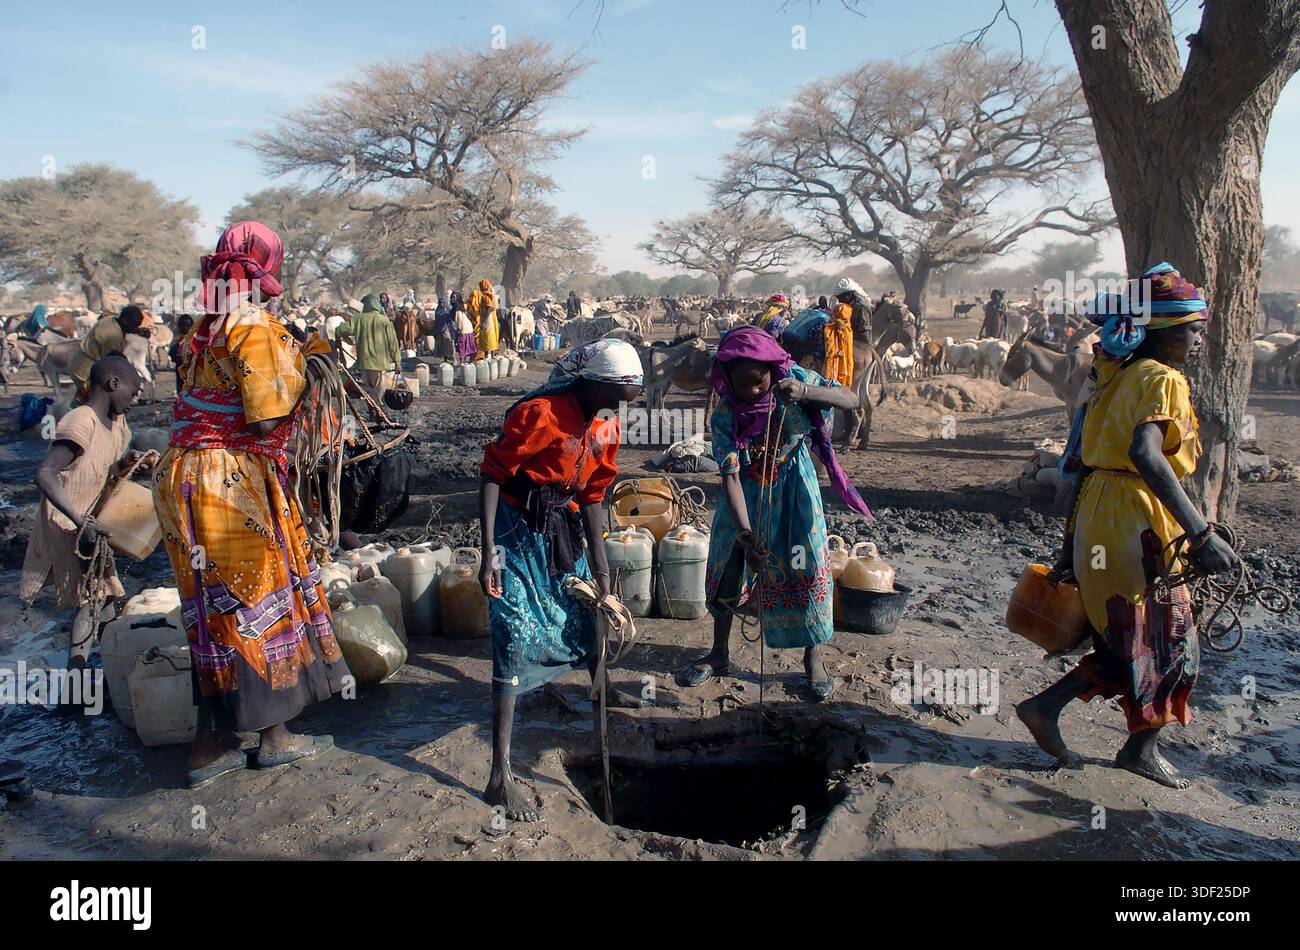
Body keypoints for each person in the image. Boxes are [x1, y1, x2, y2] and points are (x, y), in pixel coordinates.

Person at [1016, 262, 1238, 789]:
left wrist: (1071, 546)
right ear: (1161, 331)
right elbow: (1147, 454)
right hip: (1138, 522)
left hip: (1101, 512)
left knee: (1127, 635)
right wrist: (1201, 532)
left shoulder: (1114, 377)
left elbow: (1086, 462)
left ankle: (1047, 708)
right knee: (1170, 639)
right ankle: (1139, 749)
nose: (1198, 338)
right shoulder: (1161, 379)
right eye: (1191, 328)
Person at [153, 221, 348, 789]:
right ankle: (274, 738)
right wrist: (308, 371)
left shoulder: (204, 327)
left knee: (206, 608)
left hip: (181, 476)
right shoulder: (255, 327)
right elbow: (264, 415)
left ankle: (207, 748)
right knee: (254, 597)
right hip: (225, 480)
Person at [478, 339, 645, 820]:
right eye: (614, 396)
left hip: (562, 528)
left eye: (625, 400)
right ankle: (499, 776)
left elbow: (594, 494)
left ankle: (599, 687)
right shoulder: (540, 415)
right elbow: (492, 476)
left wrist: (602, 562)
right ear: (590, 382)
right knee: (513, 632)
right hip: (516, 528)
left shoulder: (606, 425)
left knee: (588, 607)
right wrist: (490, 552)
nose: (618, 408)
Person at [674, 326, 871, 700]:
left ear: (772, 369)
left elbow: (849, 399)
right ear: (727, 379)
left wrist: (807, 393)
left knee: (808, 566)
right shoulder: (727, 412)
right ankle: (719, 654)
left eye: (758, 380)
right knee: (727, 566)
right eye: (740, 382)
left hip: (795, 489)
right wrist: (746, 536)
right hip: (745, 494)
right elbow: (729, 477)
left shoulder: (795, 379)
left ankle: (814, 659)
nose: (751, 390)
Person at [20, 354, 141, 674]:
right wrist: (79, 520)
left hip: (91, 524)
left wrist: (130, 463)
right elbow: (45, 474)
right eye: (133, 391)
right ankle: (76, 686)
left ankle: (109, 668)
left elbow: (105, 466)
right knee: (93, 599)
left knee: (105, 597)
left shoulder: (117, 425)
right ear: (113, 384)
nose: (136, 399)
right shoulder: (80, 421)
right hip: (67, 523)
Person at [335, 293, 400, 410]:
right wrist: (397, 362)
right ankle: (378, 411)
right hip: (379, 362)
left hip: (364, 362)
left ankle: (373, 409)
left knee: (368, 387)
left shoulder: (358, 319)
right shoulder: (384, 320)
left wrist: (342, 337)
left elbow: (340, 330)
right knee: (378, 389)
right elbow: (393, 343)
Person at [67, 305, 148, 395]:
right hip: (85, 370)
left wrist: (137, 331)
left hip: (79, 363)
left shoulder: (112, 319)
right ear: (125, 319)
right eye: (134, 326)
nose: (134, 328)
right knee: (94, 401)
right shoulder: (112, 336)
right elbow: (113, 362)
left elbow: (124, 328)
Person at [469, 278, 499, 361]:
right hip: (491, 319)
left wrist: (484, 321)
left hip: (487, 320)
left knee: (487, 338)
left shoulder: (486, 296)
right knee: (491, 338)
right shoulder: (491, 295)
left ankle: (487, 357)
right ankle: (491, 357)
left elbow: (488, 308)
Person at [168, 314, 195, 392]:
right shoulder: (177, 341)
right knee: (181, 389)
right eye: (182, 325)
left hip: (192, 370)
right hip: (180, 369)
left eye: (187, 326)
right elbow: (172, 354)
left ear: (191, 326)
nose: (185, 328)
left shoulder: (194, 341)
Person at [451, 290, 476, 362]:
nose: (452, 299)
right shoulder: (458, 307)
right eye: (452, 297)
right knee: (464, 347)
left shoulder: (458, 310)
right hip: (467, 328)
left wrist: (458, 331)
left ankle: (462, 361)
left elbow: (459, 322)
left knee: (462, 346)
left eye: (454, 297)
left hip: (464, 329)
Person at [433, 293, 456, 362]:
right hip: (439, 330)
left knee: (449, 344)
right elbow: (436, 321)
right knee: (442, 345)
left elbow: (451, 320)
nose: (441, 304)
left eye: (442, 303)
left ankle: (452, 358)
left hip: (447, 330)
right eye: (440, 303)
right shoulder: (437, 310)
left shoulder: (448, 310)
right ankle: (445, 359)